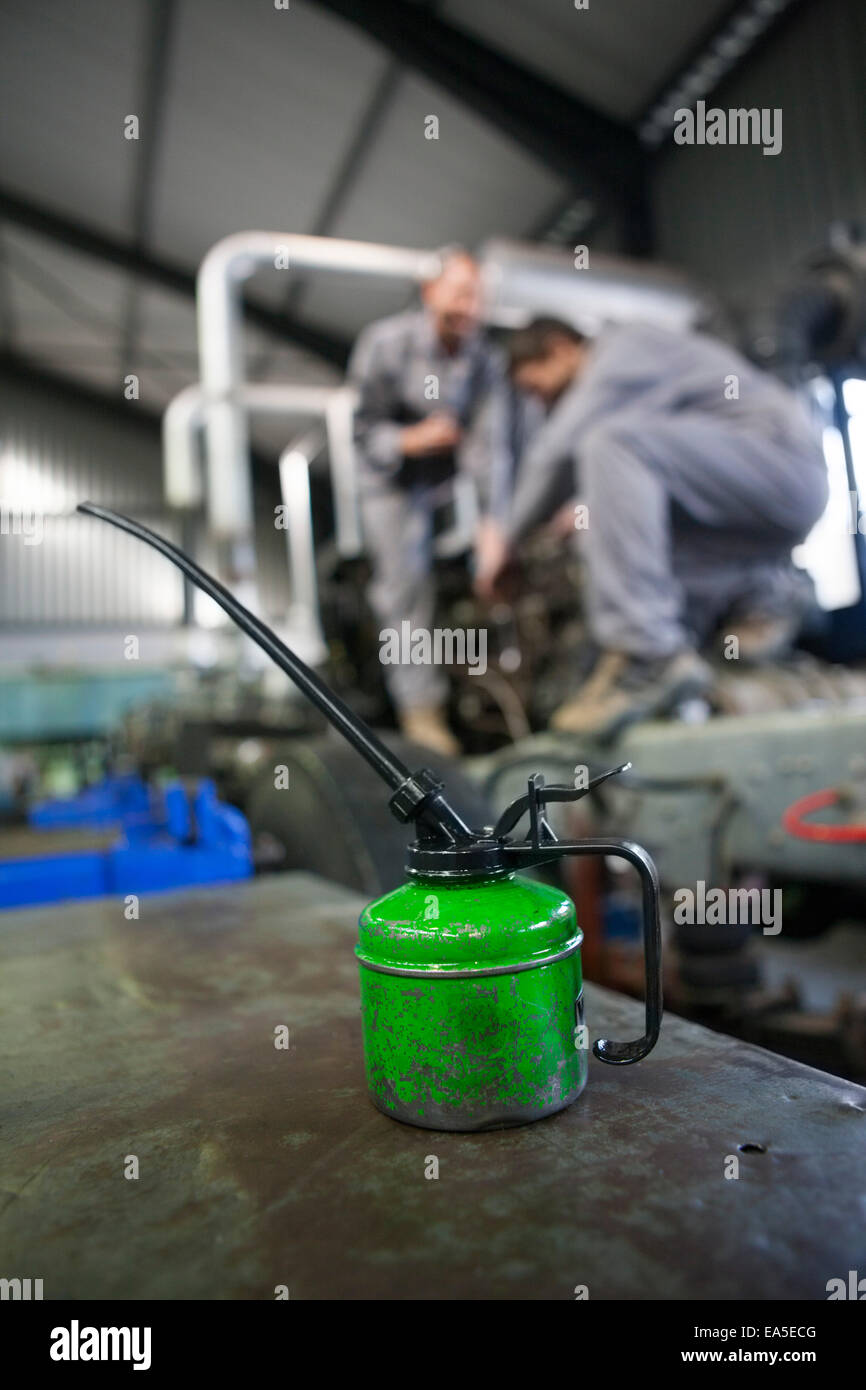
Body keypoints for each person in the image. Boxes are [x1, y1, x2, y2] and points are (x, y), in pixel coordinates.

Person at [475, 317, 829, 739]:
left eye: (537, 387)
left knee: (610, 443)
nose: (541, 401)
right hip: (752, 507)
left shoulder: (620, 351)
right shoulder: (636, 377)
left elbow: (558, 451)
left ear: (561, 349)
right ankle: (760, 598)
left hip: (781, 466)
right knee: (608, 534)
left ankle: (648, 656)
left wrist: (505, 538)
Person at [348, 249, 504, 755]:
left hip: (445, 482)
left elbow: (486, 446)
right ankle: (422, 714)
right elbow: (363, 430)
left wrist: (494, 524)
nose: (470, 307)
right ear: (430, 292)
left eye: (476, 296)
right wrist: (409, 440)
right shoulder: (385, 343)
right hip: (388, 483)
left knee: (482, 567)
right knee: (406, 586)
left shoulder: (484, 358)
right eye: (460, 294)